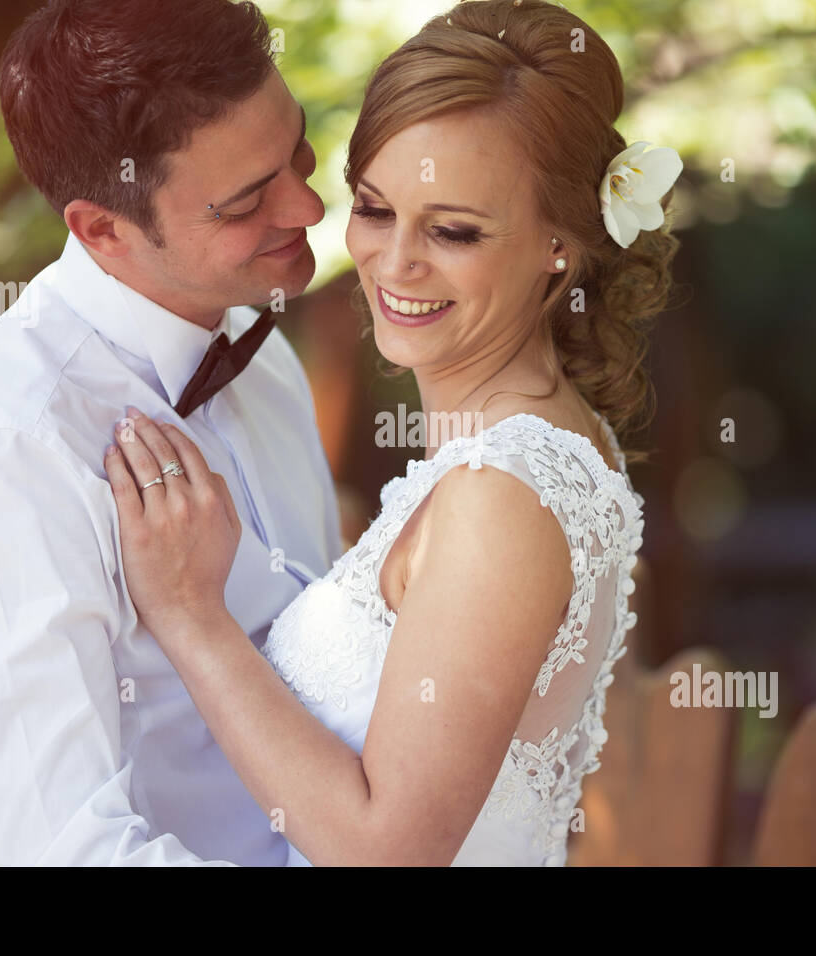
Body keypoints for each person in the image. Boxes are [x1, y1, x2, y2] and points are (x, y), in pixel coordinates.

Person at [104, 0, 681, 865]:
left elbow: (389, 852)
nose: (396, 261)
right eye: (375, 209)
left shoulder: (504, 493)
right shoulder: (519, 452)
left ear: (561, 244)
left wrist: (192, 618)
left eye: (452, 230)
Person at [0, 0, 343, 864]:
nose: (309, 207)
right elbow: (53, 851)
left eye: (299, 153)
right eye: (246, 202)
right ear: (102, 229)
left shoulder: (264, 362)